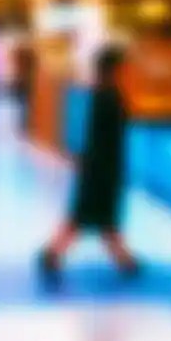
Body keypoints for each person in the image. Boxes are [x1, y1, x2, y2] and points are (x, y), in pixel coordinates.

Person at [38, 45, 138, 284]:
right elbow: (106, 139)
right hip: (103, 169)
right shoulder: (110, 97)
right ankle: (54, 253)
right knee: (92, 217)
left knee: (96, 218)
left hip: (96, 167)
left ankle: (122, 259)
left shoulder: (100, 94)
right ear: (116, 69)